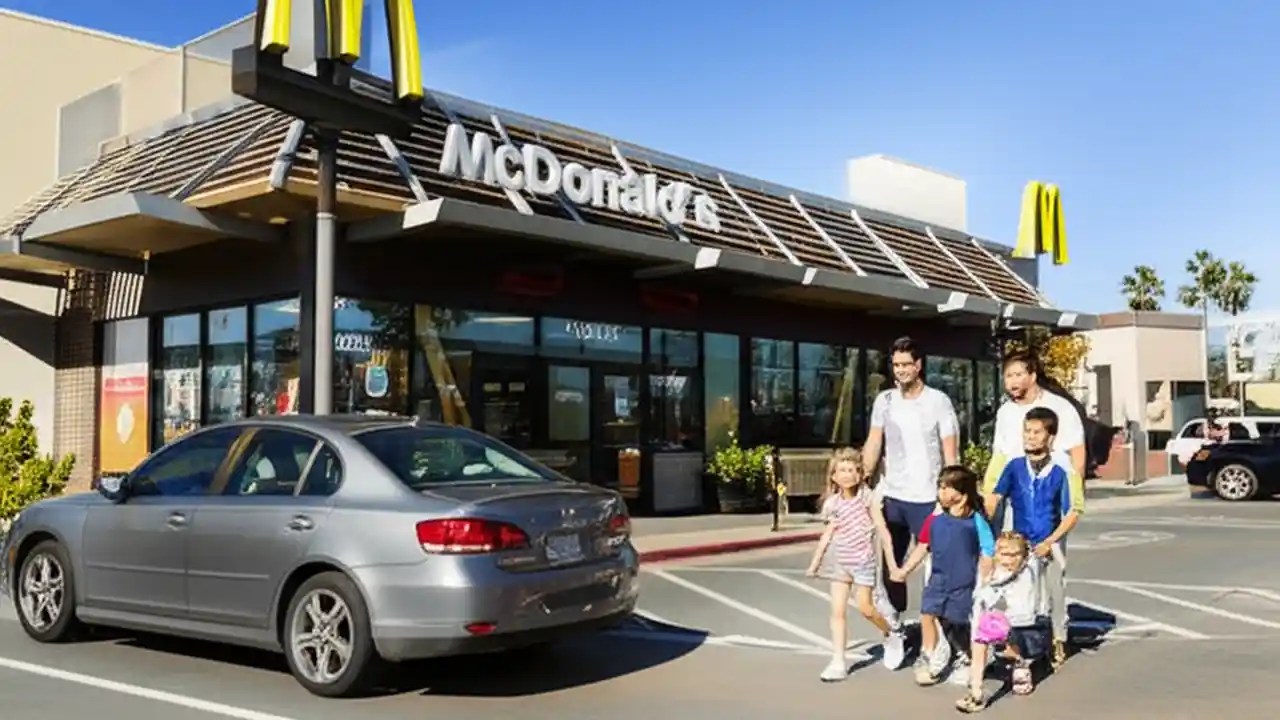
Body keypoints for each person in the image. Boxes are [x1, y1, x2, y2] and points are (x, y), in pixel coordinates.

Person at [862, 336, 960, 631]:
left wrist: (953, 495)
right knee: (890, 564)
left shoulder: (938, 401)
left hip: (928, 497)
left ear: (918, 366)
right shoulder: (885, 401)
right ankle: (895, 626)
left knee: (937, 566)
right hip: (894, 494)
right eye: (895, 365)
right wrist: (864, 478)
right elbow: (874, 441)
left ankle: (939, 630)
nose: (900, 370)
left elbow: (950, 452)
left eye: (906, 364)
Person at [984, 407, 1083, 670]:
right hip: (1020, 544)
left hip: (1050, 541)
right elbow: (996, 497)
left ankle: (1058, 640)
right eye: (1027, 431)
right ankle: (1012, 644)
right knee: (1013, 594)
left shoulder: (1062, 469)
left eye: (1036, 432)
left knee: (1053, 593)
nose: (1029, 436)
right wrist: (986, 529)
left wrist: (1051, 541)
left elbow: (1073, 511)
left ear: (1050, 436)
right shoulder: (1015, 466)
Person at [806, 448, 905, 681]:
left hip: (863, 563)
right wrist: (815, 563)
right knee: (837, 611)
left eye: (852, 470)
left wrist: (891, 562)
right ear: (834, 477)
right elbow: (827, 535)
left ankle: (891, 632)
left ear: (860, 474)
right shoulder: (832, 504)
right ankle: (838, 660)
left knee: (866, 608)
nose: (847, 475)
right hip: (839, 563)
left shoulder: (867, 498)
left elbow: (881, 529)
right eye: (842, 470)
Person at [892, 466, 995, 687]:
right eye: (940, 486)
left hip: (964, 582)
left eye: (946, 487)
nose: (941, 492)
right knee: (928, 613)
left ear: (962, 492)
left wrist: (987, 582)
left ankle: (966, 656)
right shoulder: (935, 520)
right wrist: (904, 571)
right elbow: (922, 547)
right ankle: (930, 655)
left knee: (957, 621)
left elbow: (988, 552)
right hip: (938, 578)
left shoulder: (976, 521)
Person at [983, 349, 1086, 532]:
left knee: (1045, 554)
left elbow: (1077, 456)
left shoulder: (1060, 407)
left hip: (1049, 495)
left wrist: (1072, 499)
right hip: (1015, 496)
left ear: (1032, 376)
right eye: (1008, 376)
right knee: (1012, 555)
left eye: (1018, 375)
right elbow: (999, 456)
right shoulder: (1005, 412)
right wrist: (989, 494)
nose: (1012, 381)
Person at [955, 531, 1048, 712]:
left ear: (1024, 554)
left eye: (1015, 555)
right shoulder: (990, 571)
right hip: (994, 623)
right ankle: (976, 692)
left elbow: (1041, 555)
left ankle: (1020, 662)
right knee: (979, 641)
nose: (1009, 560)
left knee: (1006, 649)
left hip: (1022, 624)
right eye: (1004, 554)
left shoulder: (1030, 568)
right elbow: (981, 599)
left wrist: (1035, 550)